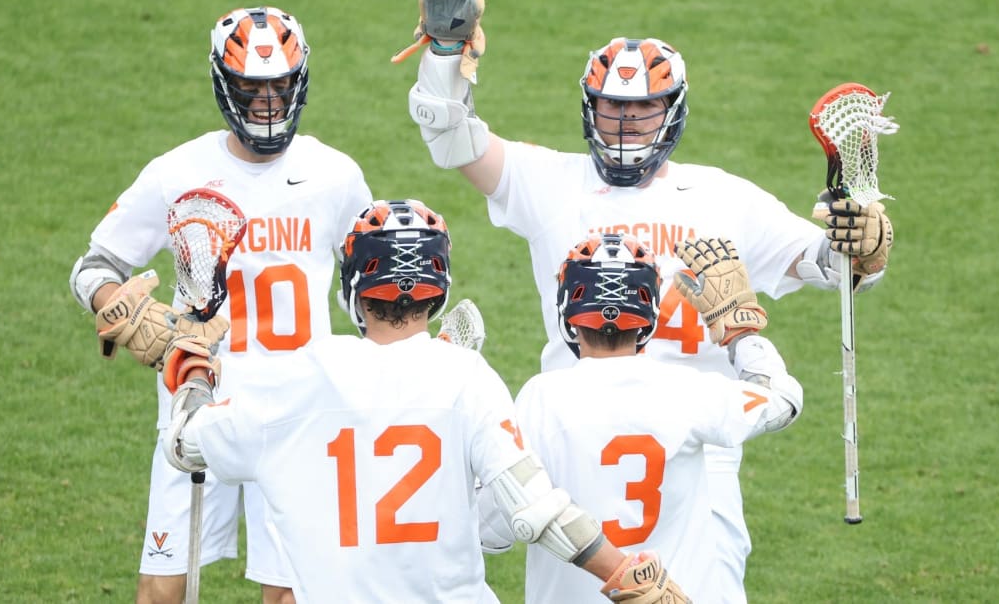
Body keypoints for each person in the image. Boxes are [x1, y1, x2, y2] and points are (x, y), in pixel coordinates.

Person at [399, 0, 896, 601]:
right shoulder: (551, 181)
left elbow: (831, 265)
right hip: (575, 441)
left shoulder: (722, 197)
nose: (626, 123)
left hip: (698, 451)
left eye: (642, 109)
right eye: (612, 107)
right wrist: (446, 51)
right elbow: (451, 135)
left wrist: (865, 246)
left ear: (673, 111)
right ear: (590, 108)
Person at [159, 200, 690, 603]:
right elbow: (536, 511)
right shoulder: (465, 375)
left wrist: (193, 366)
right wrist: (624, 574)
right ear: (439, 286)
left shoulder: (301, 376)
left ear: (355, 285)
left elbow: (184, 444)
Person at [68, 6, 373, 603]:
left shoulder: (336, 175)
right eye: (252, 88)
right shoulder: (177, 173)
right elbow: (93, 267)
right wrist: (120, 308)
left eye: (280, 85)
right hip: (196, 404)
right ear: (223, 84)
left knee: (290, 595)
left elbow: (362, 290)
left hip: (296, 414)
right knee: (163, 591)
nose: (268, 102)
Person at [503, 232, 803, 603]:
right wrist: (739, 332)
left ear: (568, 309)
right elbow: (782, 399)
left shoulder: (539, 399)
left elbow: (496, 531)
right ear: (649, 312)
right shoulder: (687, 390)